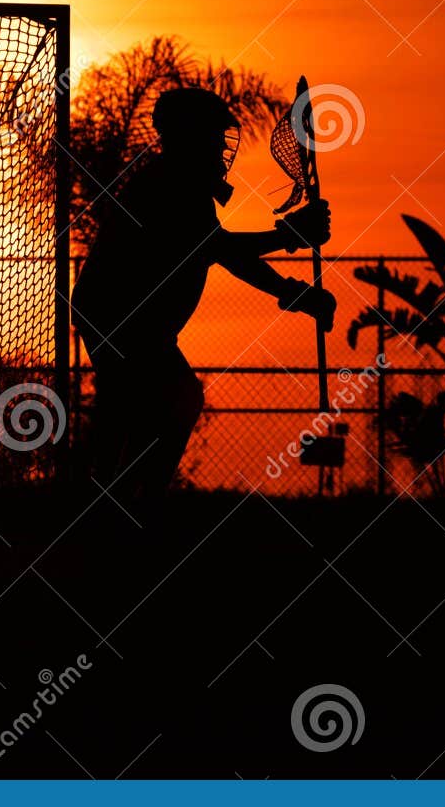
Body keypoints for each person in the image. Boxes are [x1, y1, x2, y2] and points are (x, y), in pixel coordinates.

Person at [71, 86, 335, 498]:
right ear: (187, 135)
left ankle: (119, 506)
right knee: (162, 402)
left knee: (142, 409)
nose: (220, 147)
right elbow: (213, 247)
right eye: (213, 136)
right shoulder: (166, 183)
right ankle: (125, 506)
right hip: (120, 318)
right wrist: (289, 235)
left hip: (130, 320)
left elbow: (225, 253)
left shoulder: (184, 185)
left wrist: (293, 292)